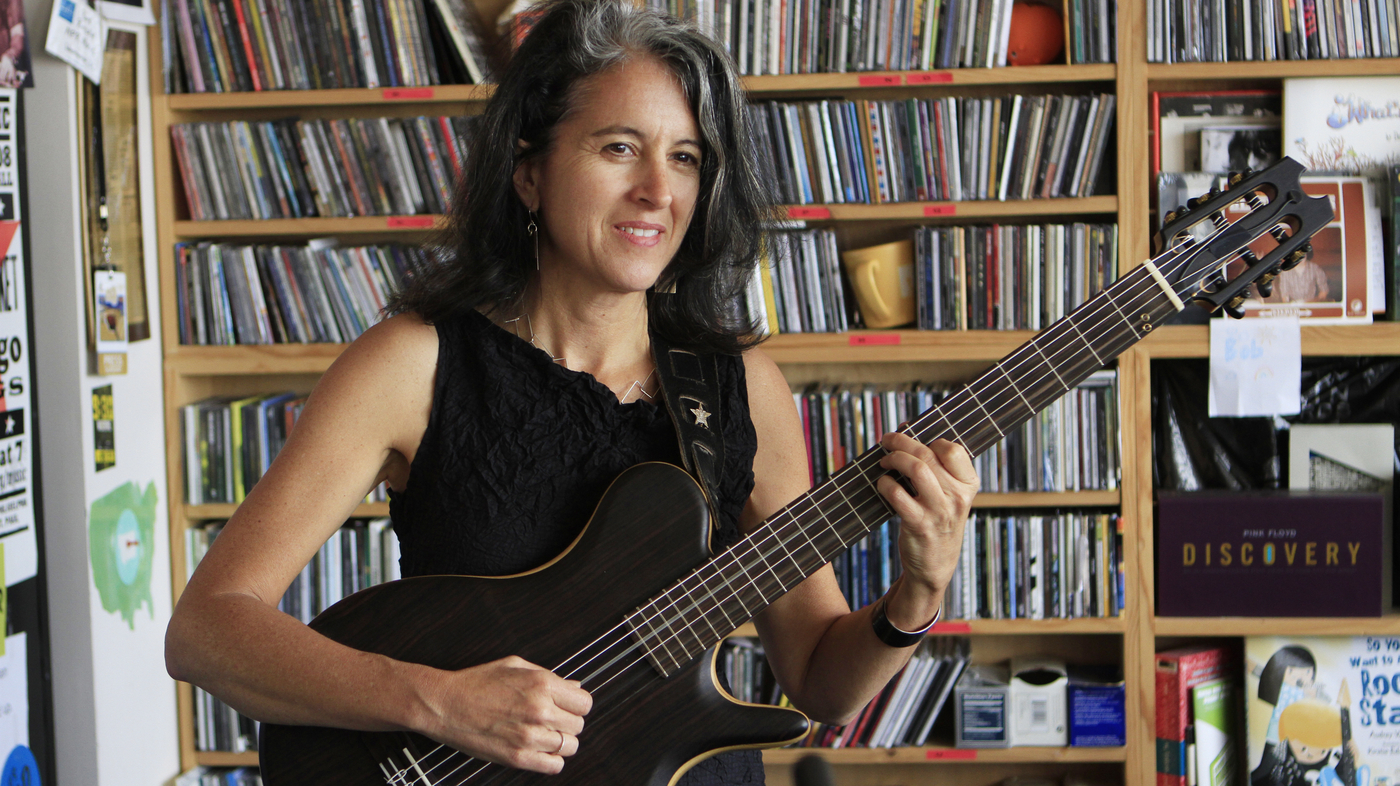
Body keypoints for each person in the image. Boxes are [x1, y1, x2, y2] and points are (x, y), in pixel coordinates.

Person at [163, 0, 978, 783]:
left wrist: (919, 591)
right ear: (529, 172)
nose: (658, 191)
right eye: (621, 147)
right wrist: (437, 701)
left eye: (686, 157)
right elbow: (205, 629)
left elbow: (820, 680)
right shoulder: (414, 365)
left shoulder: (740, 388)